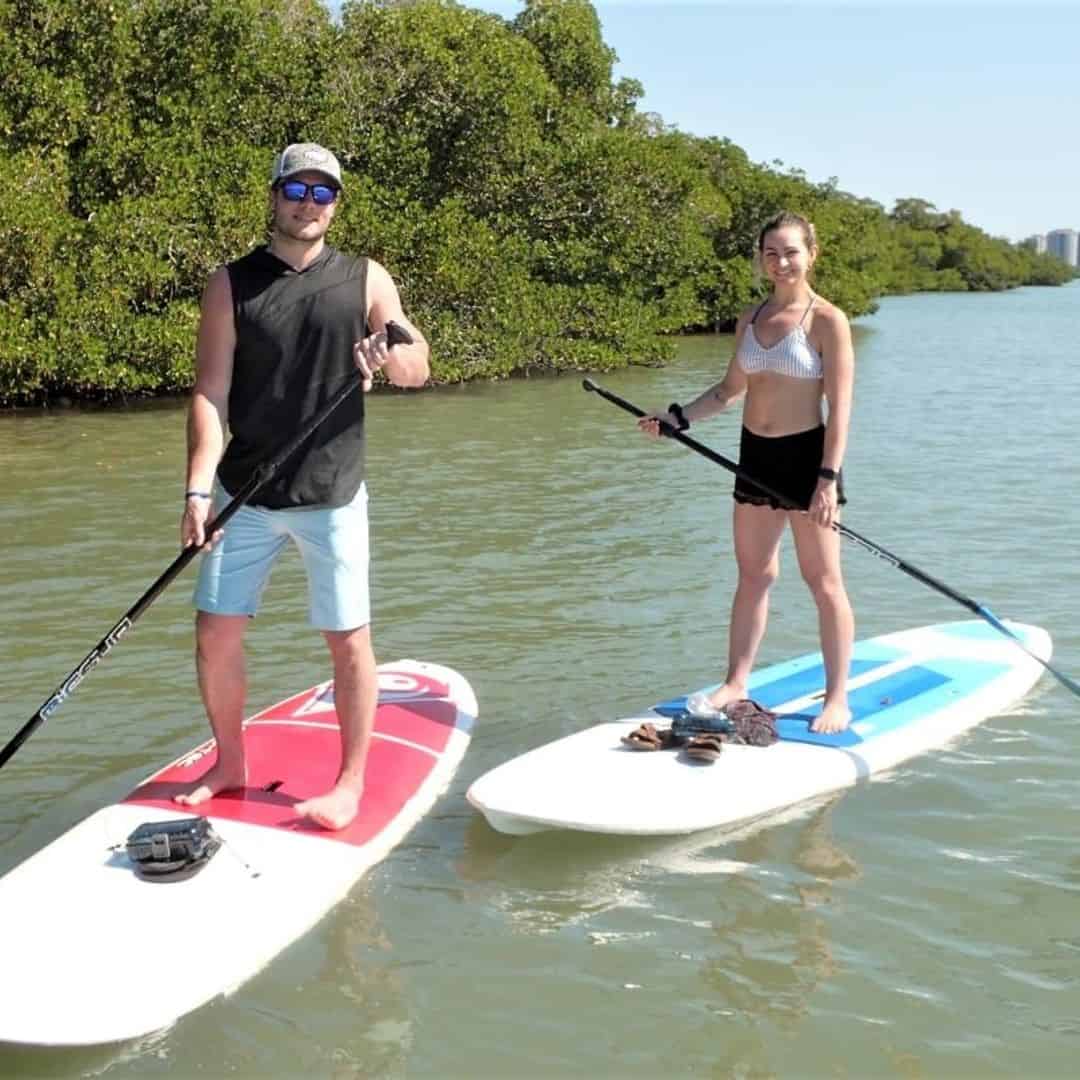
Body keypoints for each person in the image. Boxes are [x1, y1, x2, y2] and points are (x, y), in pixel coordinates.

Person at [177, 142, 429, 829]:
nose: (308, 204)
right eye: (297, 190)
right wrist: (198, 490)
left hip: (334, 490)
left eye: (323, 193)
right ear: (275, 195)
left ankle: (349, 785)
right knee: (214, 634)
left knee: (348, 640)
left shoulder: (365, 277)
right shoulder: (231, 284)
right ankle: (231, 762)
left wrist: (392, 349)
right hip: (244, 491)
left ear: (335, 205)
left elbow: (418, 365)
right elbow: (210, 393)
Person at [639, 211, 855, 734]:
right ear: (761, 259)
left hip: (807, 461)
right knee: (754, 576)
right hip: (755, 456)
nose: (781, 262)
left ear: (812, 254)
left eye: (791, 252)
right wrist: (678, 418)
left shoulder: (828, 320)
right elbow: (727, 391)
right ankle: (736, 682)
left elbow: (841, 407)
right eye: (771, 253)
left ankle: (838, 697)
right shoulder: (750, 317)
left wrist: (827, 479)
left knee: (823, 581)